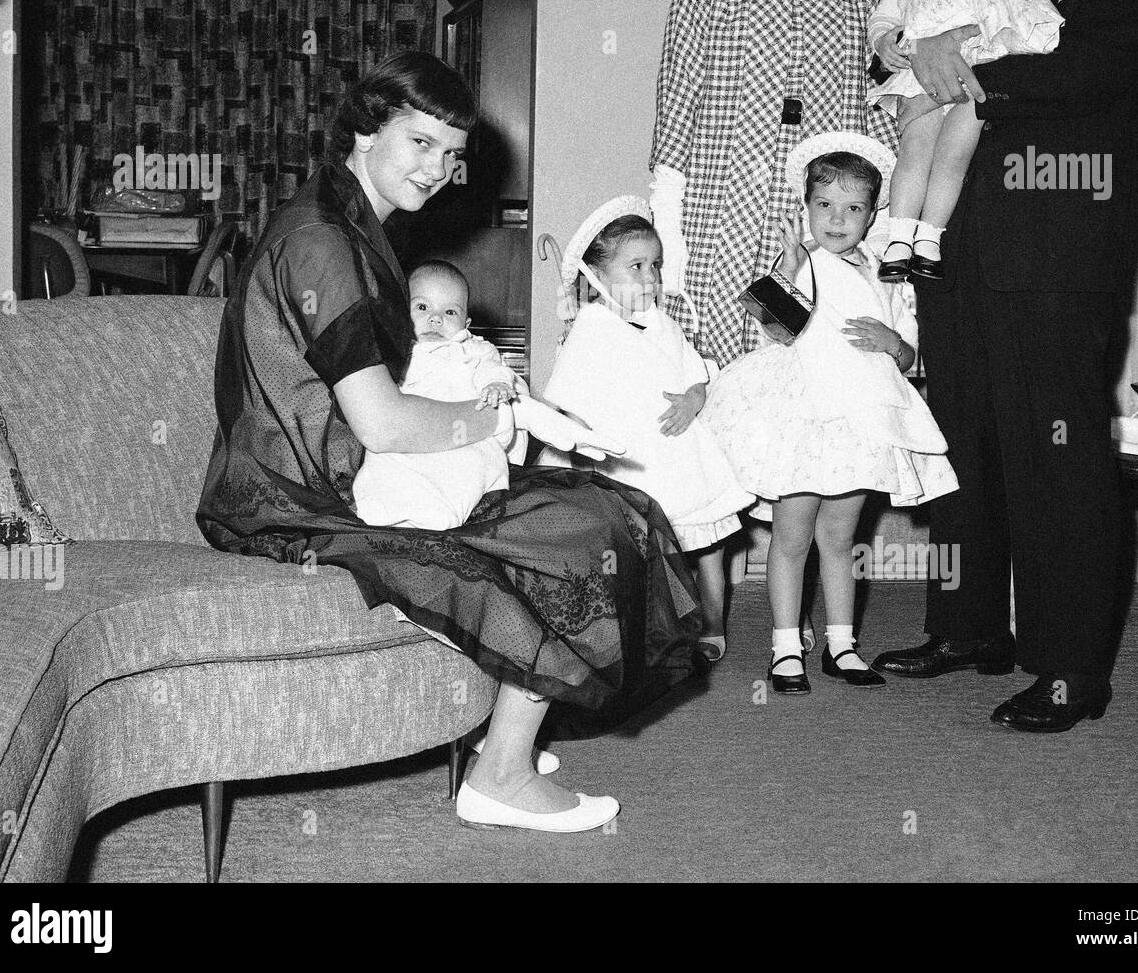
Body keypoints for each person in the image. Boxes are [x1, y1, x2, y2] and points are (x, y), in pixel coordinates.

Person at [197, 51, 705, 832]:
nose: (439, 169)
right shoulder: (324, 242)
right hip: (296, 503)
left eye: (453, 153)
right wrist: (492, 419)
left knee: (595, 510)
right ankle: (500, 776)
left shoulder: (346, 224)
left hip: (346, 479)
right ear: (365, 132)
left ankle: (506, 750)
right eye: (420, 143)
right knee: (587, 529)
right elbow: (383, 421)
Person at [873, 0, 1138, 732]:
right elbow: (894, 50)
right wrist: (907, 52)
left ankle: (1069, 669)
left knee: (1058, 451)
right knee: (958, 432)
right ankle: (968, 627)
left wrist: (955, 64)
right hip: (955, 228)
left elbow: (1091, 68)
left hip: (1058, 241)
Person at [703, 133, 958, 694]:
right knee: (791, 538)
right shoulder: (803, 263)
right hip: (804, 416)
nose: (837, 218)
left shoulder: (889, 275)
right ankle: (785, 646)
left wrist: (892, 340)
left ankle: (842, 644)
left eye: (853, 208)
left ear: (872, 217)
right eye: (824, 205)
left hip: (859, 420)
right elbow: (776, 331)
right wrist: (791, 271)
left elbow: (913, 357)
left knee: (839, 540)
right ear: (806, 207)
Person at [650, 0, 898, 373]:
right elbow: (677, 101)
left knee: (805, 362)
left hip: (821, 216)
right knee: (714, 370)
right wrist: (668, 220)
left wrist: (879, 222)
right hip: (720, 208)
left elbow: (882, 103)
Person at [538, 197, 754, 661]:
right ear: (595, 275)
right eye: (635, 266)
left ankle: (712, 618)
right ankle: (647, 629)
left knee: (708, 541)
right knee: (640, 555)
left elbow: (697, 372)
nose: (650, 278)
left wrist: (695, 398)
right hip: (629, 462)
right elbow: (569, 405)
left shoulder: (663, 322)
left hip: (681, 456)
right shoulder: (591, 328)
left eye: (655, 265)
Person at [866, 0, 1064, 282]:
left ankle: (930, 239)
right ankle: (899, 238)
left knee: (954, 152)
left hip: (978, 66)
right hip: (922, 73)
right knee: (914, 149)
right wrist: (884, 40)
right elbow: (886, 15)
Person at [352, 260, 524, 531]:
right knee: (383, 461)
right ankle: (379, 505)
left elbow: (492, 368)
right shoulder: (398, 351)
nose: (436, 318)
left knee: (466, 465)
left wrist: (495, 385)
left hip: (462, 436)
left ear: (465, 323)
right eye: (422, 307)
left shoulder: (472, 349)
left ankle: (441, 512)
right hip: (408, 433)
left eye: (450, 312)